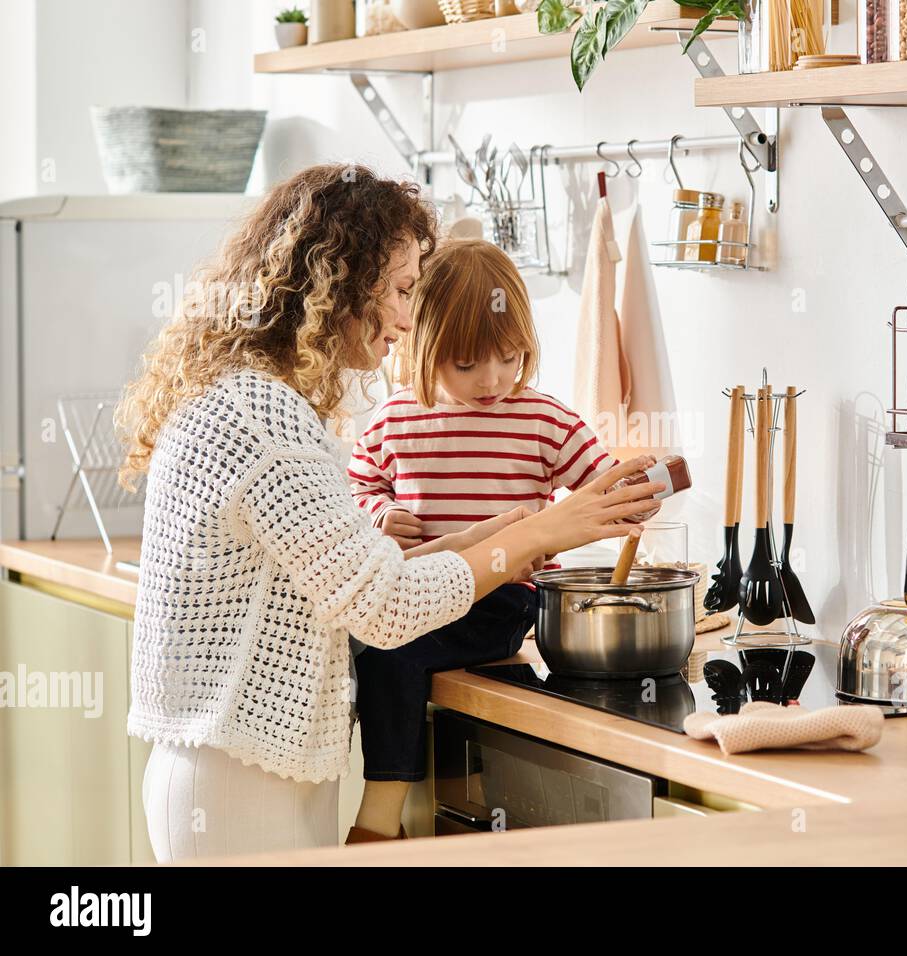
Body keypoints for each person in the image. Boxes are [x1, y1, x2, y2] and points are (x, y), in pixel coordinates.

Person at [117, 164, 661, 861]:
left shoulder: (248, 399)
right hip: (240, 788)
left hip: (240, 772)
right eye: (402, 291)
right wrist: (546, 528)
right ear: (338, 283)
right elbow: (383, 605)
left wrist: (485, 537)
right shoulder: (264, 419)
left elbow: (352, 573)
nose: (407, 321)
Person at [345, 238, 621, 841]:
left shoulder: (543, 418)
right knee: (381, 644)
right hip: (415, 591)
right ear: (422, 344)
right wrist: (380, 512)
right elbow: (357, 486)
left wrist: (626, 495)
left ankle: (380, 812)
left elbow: (601, 487)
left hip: (499, 597)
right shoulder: (397, 418)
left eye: (507, 357)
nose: (492, 380)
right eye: (466, 364)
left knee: (392, 653)